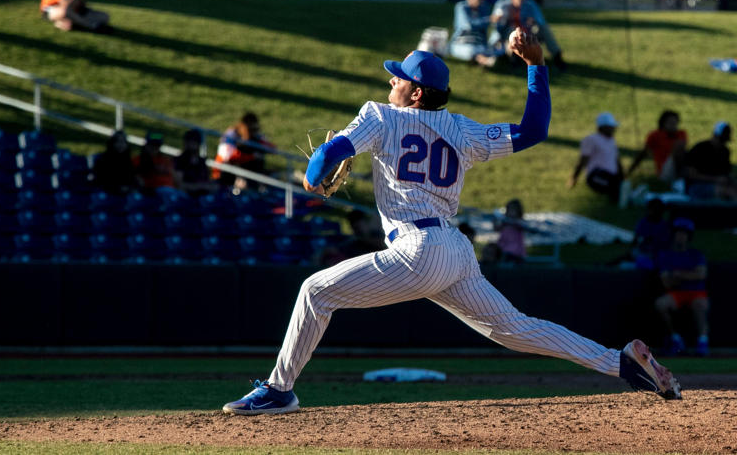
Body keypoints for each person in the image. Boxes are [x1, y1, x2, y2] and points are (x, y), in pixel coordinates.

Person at [222, 33, 681, 416]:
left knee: (315, 292)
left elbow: (328, 155)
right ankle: (620, 363)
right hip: (455, 250)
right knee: (517, 329)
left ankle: (280, 390)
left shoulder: (381, 116)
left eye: (398, 77)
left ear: (416, 93)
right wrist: (536, 66)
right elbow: (533, 131)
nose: (391, 80)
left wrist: (313, 177)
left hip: (417, 249)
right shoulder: (463, 131)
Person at [654, 218, 709, 357]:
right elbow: (666, 282)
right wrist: (689, 275)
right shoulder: (665, 255)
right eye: (678, 233)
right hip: (676, 293)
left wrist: (677, 274)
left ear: (688, 236)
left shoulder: (696, 254)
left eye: (684, 234)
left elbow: (701, 275)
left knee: (700, 305)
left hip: (696, 292)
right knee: (661, 304)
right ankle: (675, 339)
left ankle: (703, 341)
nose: (680, 236)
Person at [488, 0, 567, 71]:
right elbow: (495, 26)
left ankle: (557, 57)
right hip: (505, 36)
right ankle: (515, 59)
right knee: (513, 31)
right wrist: (501, 19)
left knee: (544, 29)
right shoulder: (502, 5)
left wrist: (533, 22)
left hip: (527, 34)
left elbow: (540, 22)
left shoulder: (530, 4)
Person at [569, 112, 624, 201]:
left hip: (612, 177)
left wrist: (623, 177)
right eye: (611, 126)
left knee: (619, 188)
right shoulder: (591, 139)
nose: (614, 129)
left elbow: (616, 160)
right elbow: (583, 160)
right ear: (603, 127)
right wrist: (575, 177)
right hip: (596, 175)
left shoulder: (611, 141)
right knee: (615, 188)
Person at [212, 112, 275, 187]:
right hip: (223, 172)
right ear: (243, 125)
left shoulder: (254, 137)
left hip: (244, 170)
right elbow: (227, 157)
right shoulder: (231, 135)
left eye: (255, 129)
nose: (252, 131)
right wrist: (252, 156)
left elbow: (272, 148)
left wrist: (258, 143)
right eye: (251, 128)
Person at [448, 0, 500, 68]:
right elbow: (469, 25)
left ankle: (483, 59)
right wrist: (489, 19)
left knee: (495, 48)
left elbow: (486, 28)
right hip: (461, 43)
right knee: (470, 50)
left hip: (479, 43)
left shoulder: (484, 8)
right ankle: (484, 60)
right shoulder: (461, 7)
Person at [626, 110, 687, 183]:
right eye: (670, 122)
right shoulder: (655, 135)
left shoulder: (681, 134)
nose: (673, 125)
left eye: (675, 122)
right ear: (663, 123)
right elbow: (643, 153)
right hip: (664, 170)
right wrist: (630, 170)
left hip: (680, 166)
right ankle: (682, 178)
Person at [683, 121, 736, 200]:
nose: (722, 143)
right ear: (714, 135)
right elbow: (691, 175)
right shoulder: (699, 149)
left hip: (718, 185)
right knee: (725, 191)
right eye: (721, 140)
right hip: (696, 187)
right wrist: (716, 179)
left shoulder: (725, 151)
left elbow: (726, 174)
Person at [91, 130, 138, 195]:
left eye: (123, 142)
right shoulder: (103, 159)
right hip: (107, 193)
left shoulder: (128, 160)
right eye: (118, 141)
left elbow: (132, 178)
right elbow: (101, 179)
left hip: (126, 194)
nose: (121, 144)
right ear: (112, 143)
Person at [173, 128, 217, 196]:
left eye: (195, 142)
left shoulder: (201, 162)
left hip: (202, 197)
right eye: (191, 142)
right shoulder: (180, 160)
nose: (193, 145)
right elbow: (178, 184)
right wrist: (198, 186)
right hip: (185, 196)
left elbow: (207, 180)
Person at [494, 198, 527, 264]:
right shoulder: (504, 221)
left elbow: (523, 227)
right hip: (503, 248)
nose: (510, 212)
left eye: (513, 210)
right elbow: (496, 228)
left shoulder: (520, 222)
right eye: (509, 209)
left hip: (515, 251)